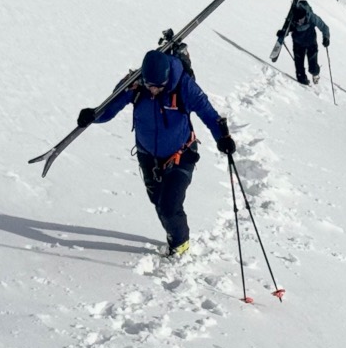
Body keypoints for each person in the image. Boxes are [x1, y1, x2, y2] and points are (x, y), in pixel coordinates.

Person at [77, 49, 236, 257]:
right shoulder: (134, 84)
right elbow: (110, 108)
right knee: (159, 204)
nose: (153, 90)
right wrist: (92, 116)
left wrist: (222, 137)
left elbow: (207, 112)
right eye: (150, 85)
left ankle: (180, 245)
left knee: (170, 206)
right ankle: (173, 232)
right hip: (148, 157)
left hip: (181, 155)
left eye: (159, 87)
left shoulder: (183, 85)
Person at [285, 1, 330, 85]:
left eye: (301, 20)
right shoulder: (292, 19)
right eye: (297, 20)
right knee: (300, 72)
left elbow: (324, 27)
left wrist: (326, 38)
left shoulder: (312, 17)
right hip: (298, 45)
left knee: (313, 68)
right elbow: (287, 29)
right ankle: (304, 86)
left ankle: (316, 75)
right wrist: (282, 33)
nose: (299, 22)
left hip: (311, 44)